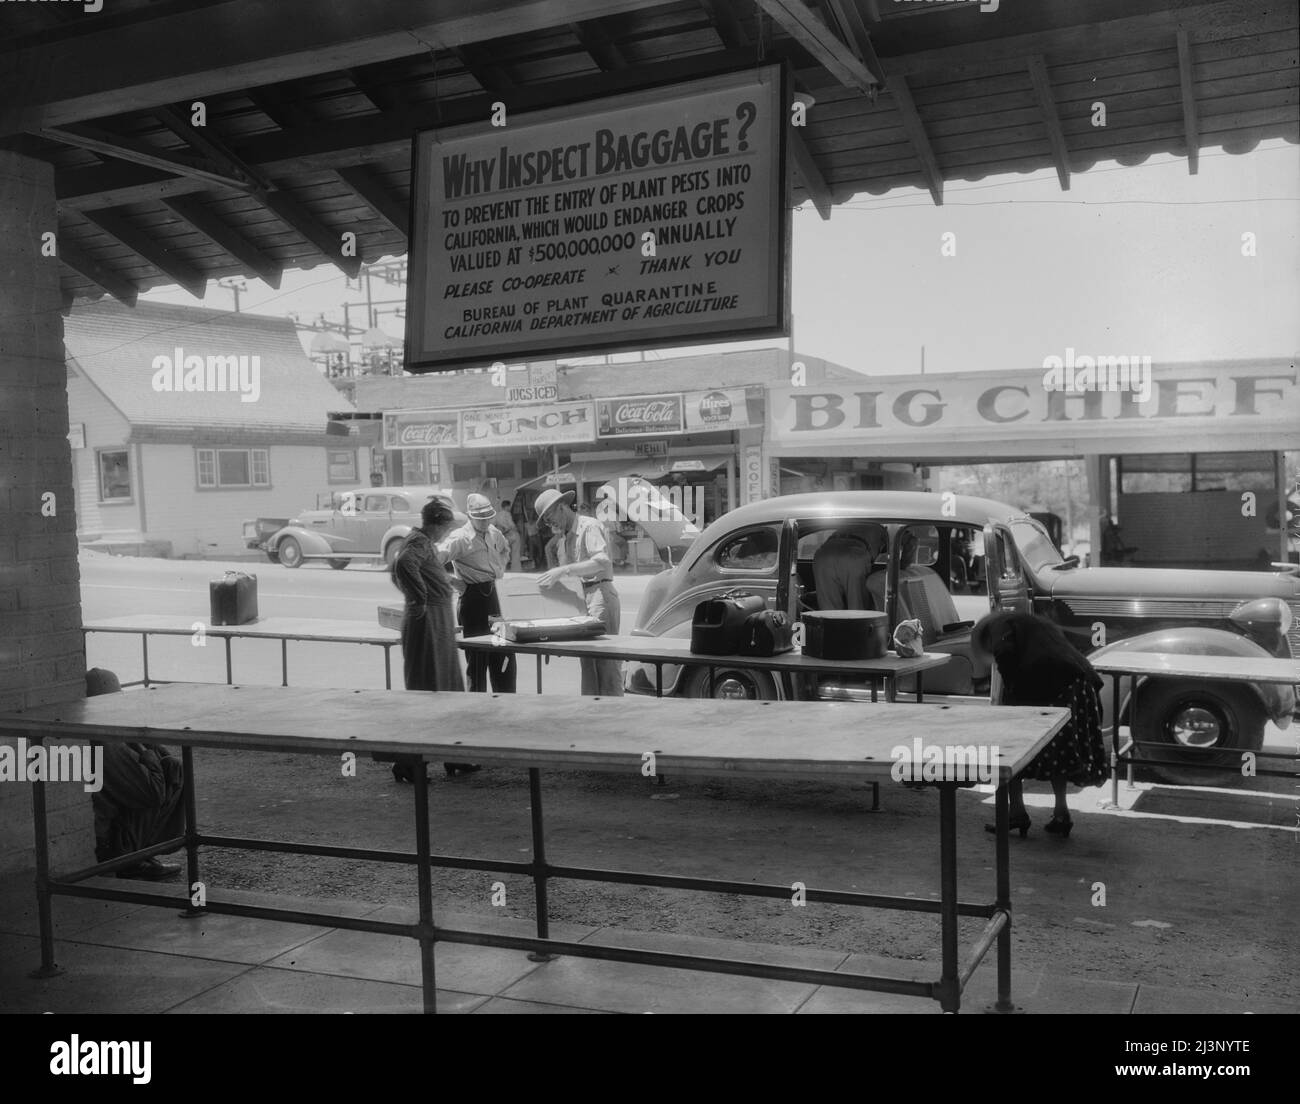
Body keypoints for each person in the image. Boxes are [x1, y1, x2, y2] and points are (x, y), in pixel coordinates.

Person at [972, 611, 1108, 839]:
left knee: (1009, 750)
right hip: (1078, 684)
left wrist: (1011, 696)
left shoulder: (998, 627)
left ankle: (1016, 813)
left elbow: (1005, 654)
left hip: (1054, 685)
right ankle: (1062, 814)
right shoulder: (1033, 623)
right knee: (1060, 751)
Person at [387, 499, 470, 781]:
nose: (447, 533)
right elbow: (403, 566)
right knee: (428, 691)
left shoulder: (421, 542)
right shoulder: (419, 543)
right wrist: (419, 598)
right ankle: (410, 763)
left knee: (446, 688)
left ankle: (453, 755)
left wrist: (446, 581)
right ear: (437, 524)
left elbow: (413, 568)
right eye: (446, 527)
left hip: (436, 622)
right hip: (428, 623)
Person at [86, 668, 183, 881]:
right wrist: (147, 750)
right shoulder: (105, 742)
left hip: (100, 832)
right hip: (107, 843)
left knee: (170, 768)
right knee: (171, 773)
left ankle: (138, 855)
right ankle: (132, 860)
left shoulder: (90, 732)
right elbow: (153, 790)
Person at [534, 487, 624, 696]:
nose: (550, 524)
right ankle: (593, 712)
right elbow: (570, 577)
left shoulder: (589, 526)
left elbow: (601, 561)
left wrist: (563, 570)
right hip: (583, 600)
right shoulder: (565, 539)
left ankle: (615, 714)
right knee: (588, 662)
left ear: (563, 507)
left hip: (600, 594)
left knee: (606, 664)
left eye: (550, 517)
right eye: (546, 522)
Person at [438, 493, 517, 695]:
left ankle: (505, 704)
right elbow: (431, 561)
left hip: (496, 597)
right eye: (479, 519)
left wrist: (500, 571)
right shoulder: (460, 539)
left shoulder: (493, 532)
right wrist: (455, 582)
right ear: (470, 516)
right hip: (473, 601)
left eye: (488, 517)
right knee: (477, 661)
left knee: (503, 655)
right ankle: (477, 709)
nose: (484, 522)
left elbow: (505, 549)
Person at [813, 525, 885, 610]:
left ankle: (830, 622)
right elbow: (897, 545)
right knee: (857, 608)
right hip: (854, 555)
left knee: (828, 610)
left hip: (824, 555)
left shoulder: (850, 520)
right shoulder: (884, 525)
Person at [497, 499, 522, 573]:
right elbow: (512, 525)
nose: (510, 508)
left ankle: (502, 569)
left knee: (504, 553)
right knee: (515, 553)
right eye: (509, 506)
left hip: (504, 536)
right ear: (507, 506)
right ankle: (516, 570)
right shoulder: (507, 514)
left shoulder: (498, 515)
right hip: (513, 535)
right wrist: (518, 529)